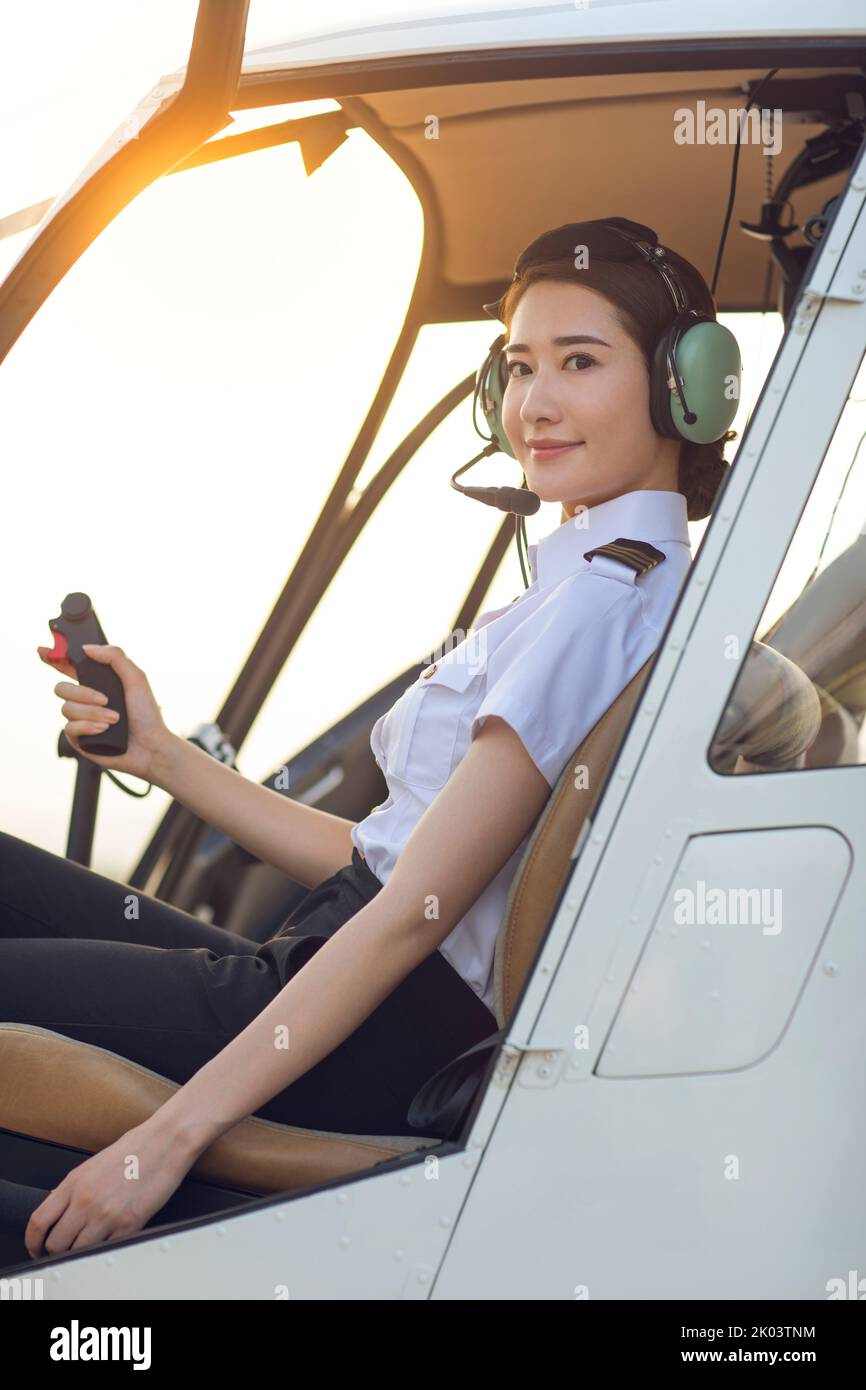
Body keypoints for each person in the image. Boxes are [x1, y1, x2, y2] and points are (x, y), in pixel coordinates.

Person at [0, 217, 735, 1264]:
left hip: (363, 1020)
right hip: (336, 973)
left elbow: (402, 916)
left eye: (580, 362)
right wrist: (162, 755)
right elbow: (386, 862)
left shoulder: (598, 605)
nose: (534, 402)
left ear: (680, 390)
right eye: (519, 366)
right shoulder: (598, 583)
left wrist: (164, 1141)